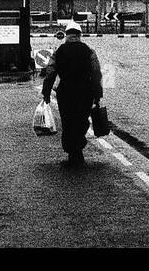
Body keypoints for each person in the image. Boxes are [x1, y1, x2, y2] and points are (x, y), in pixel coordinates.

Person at [41, 21, 103, 166]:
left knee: (68, 122)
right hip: (85, 92)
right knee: (81, 120)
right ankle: (78, 150)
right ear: (79, 35)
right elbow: (96, 73)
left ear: (67, 35)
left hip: (65, 93)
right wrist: (98, 93)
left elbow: (50, 72)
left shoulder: (59, 51)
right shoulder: (88, 50)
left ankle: (72, 154)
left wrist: (46, 92)